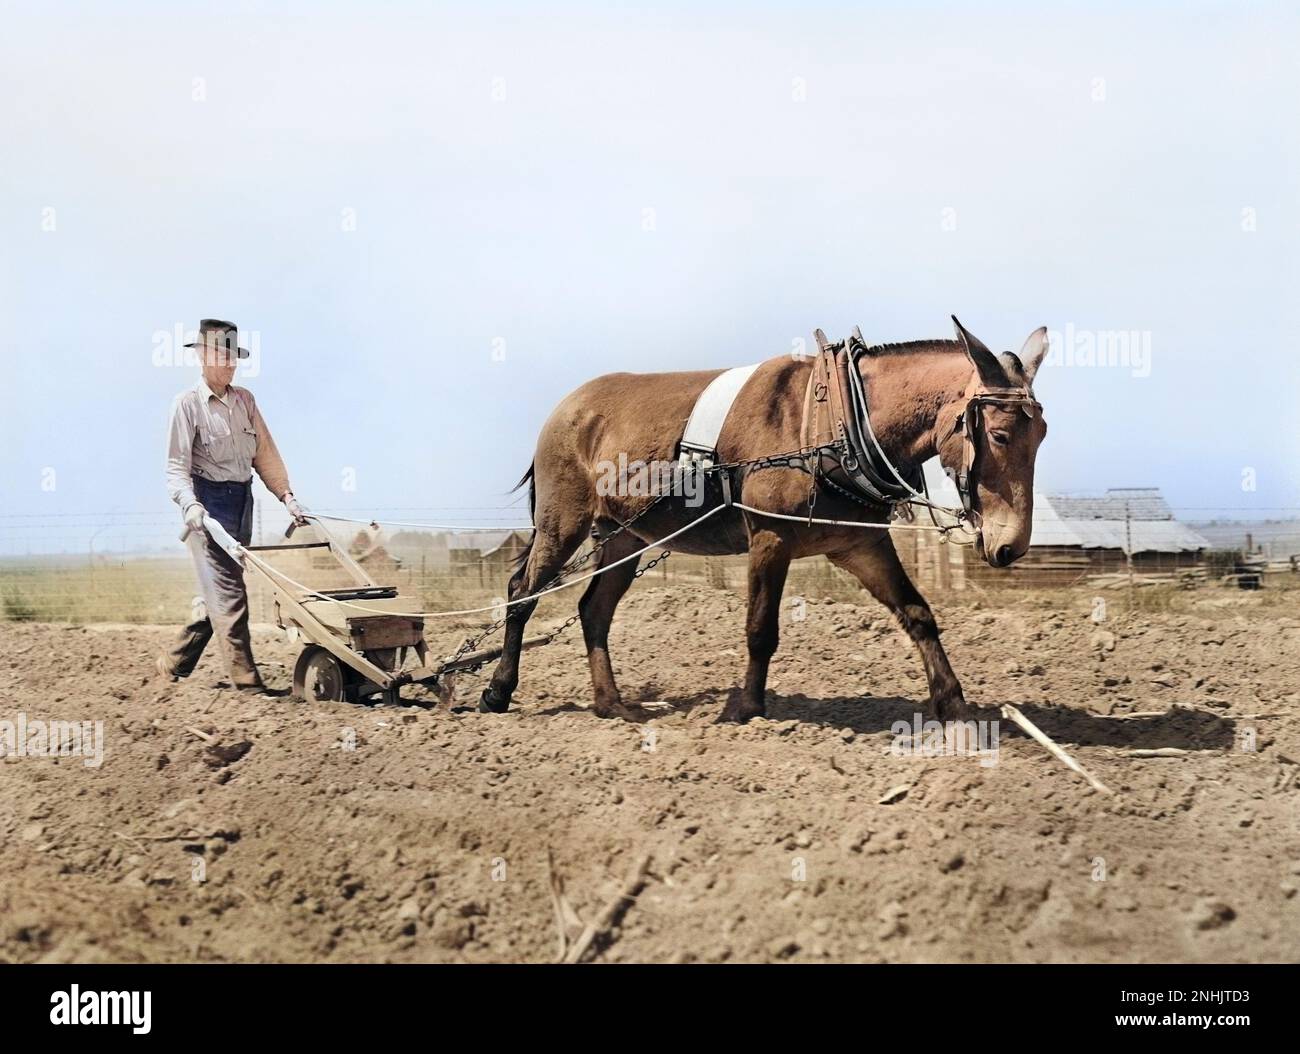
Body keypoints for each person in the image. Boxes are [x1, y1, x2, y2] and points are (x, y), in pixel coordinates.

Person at [156, 319, 307, 691]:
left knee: (220, 593)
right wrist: (190, 506)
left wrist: (286, 495)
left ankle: (173, 663)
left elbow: (265, 453)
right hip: (207, 510)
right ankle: (248, 684)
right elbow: (176, 468)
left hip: (242, 503)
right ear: (204, 357)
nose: (231, 363)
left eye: (234, 356)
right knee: (230, 596)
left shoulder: (245, 401)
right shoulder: (187, 406)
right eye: (223, 356)